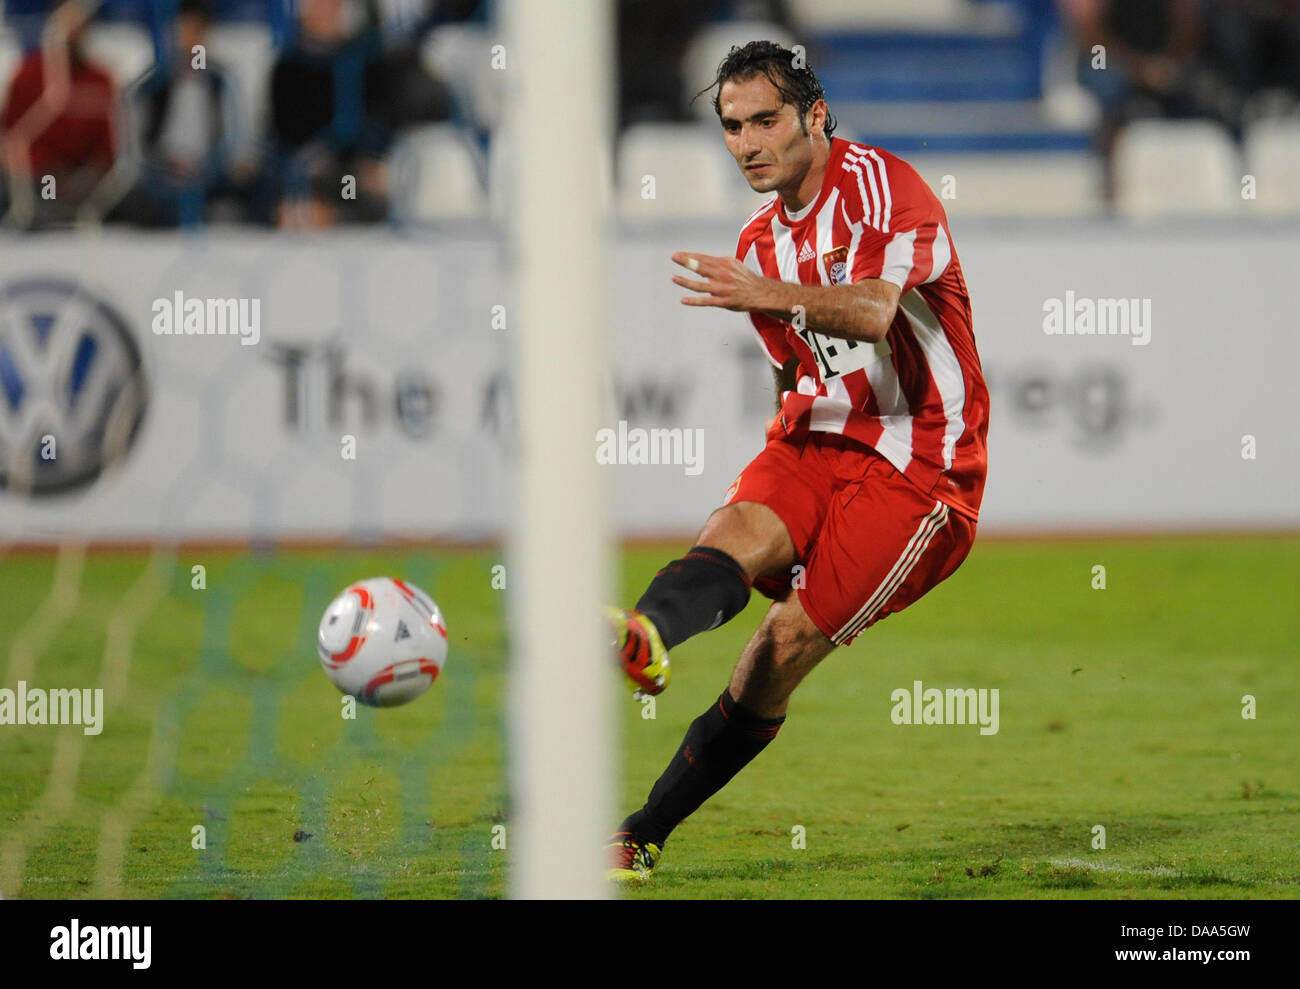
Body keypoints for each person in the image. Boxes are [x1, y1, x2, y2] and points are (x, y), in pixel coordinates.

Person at [606, 41, 990, 881]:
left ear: (816, 116)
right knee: (733, 529)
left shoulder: (887, 189)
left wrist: (766, 293)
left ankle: (640, 832)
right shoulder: (758, 240)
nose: (748, 142)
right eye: (733, 126)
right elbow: (797, 362)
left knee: (776, 649)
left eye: (766, 120)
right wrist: (782, 458)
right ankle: (647, 633)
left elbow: (869, 311)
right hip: (819, 430)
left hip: (922, 464)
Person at [1, 0, 117, 228]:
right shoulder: (28, 75)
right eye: (67, 23)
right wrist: (45, 169)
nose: (74, 32)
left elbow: (108, 147)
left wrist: (88, 175)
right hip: (36, 178)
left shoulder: (100, 80)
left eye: (80, 25)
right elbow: (10, 137)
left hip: (81, 182)